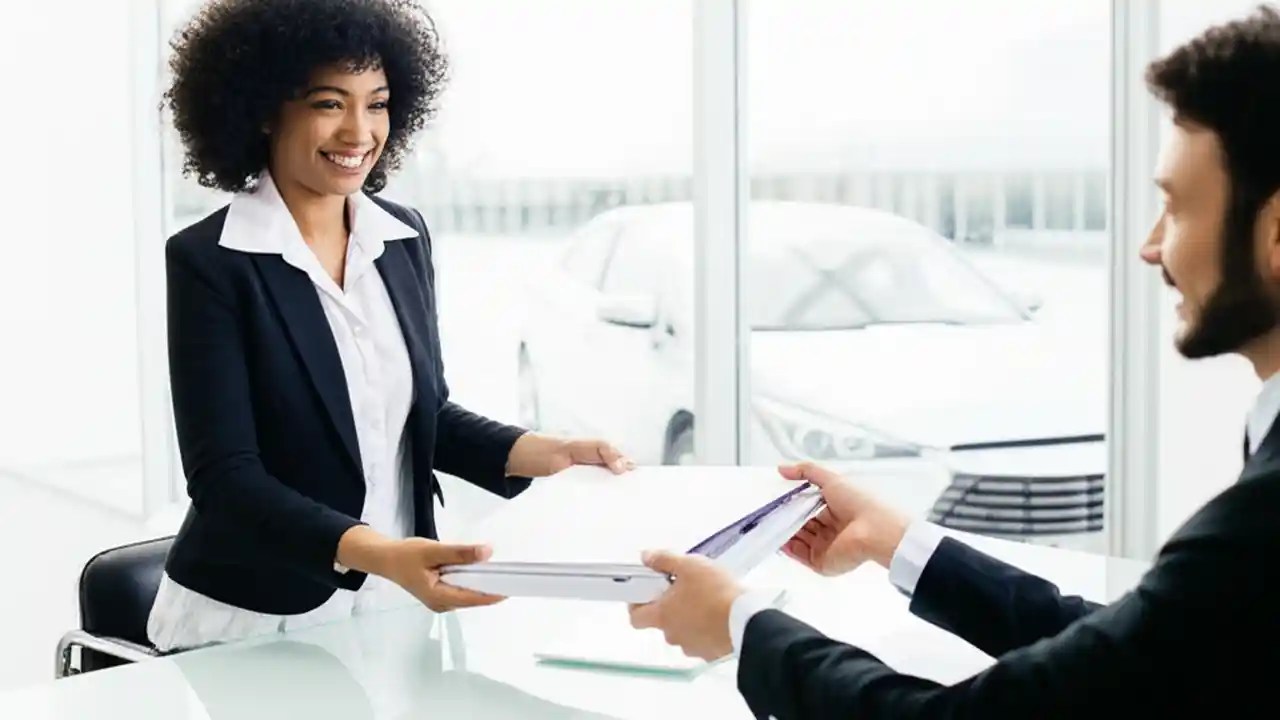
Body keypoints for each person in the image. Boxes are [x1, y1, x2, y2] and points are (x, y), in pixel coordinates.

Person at [629, 7, 1280, 718]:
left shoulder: (1260, 521)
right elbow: (1133, 659)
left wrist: (740, 624)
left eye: (1177, 208)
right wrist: (902, 543)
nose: (1152, 247)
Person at [147, 0, 632, 652]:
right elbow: (226, 481)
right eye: (328, 102)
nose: (359, 131)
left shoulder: (401, 238)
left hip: (393, 603)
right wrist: (379, 552)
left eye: (376, 103)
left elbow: (421, 417)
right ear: (263, 109)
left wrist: (546, 453)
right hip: (255, 618)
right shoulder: (211, 262)